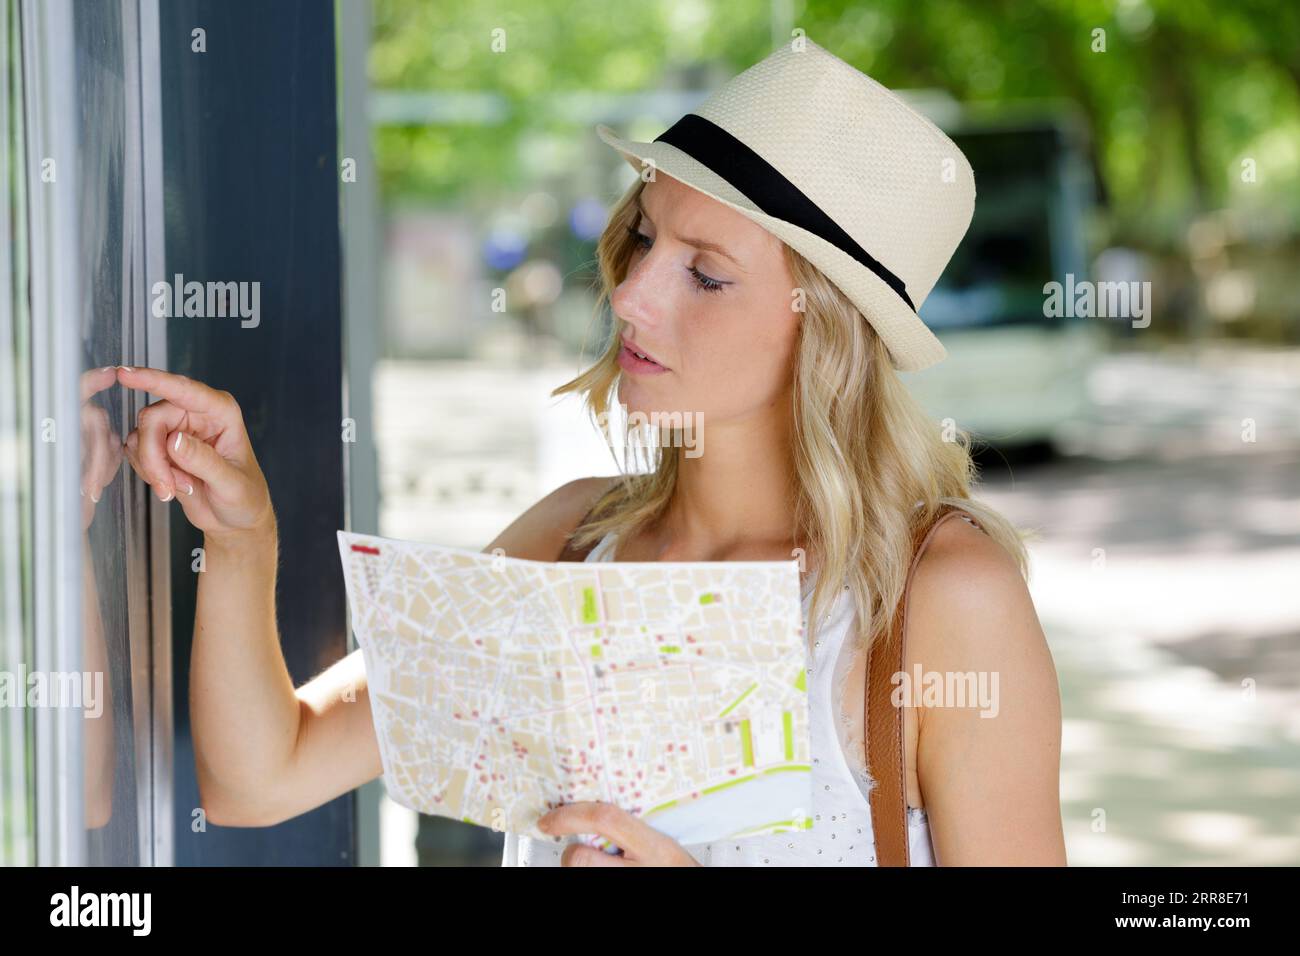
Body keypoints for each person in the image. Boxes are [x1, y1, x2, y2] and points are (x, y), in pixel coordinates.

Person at [117, 37, 1066, 866]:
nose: (632, 296)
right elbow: (260, 776)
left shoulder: (937, 600)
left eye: (705, 274)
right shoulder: (571, 541)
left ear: (823, 329)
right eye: (644, 240)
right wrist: (242, 537)